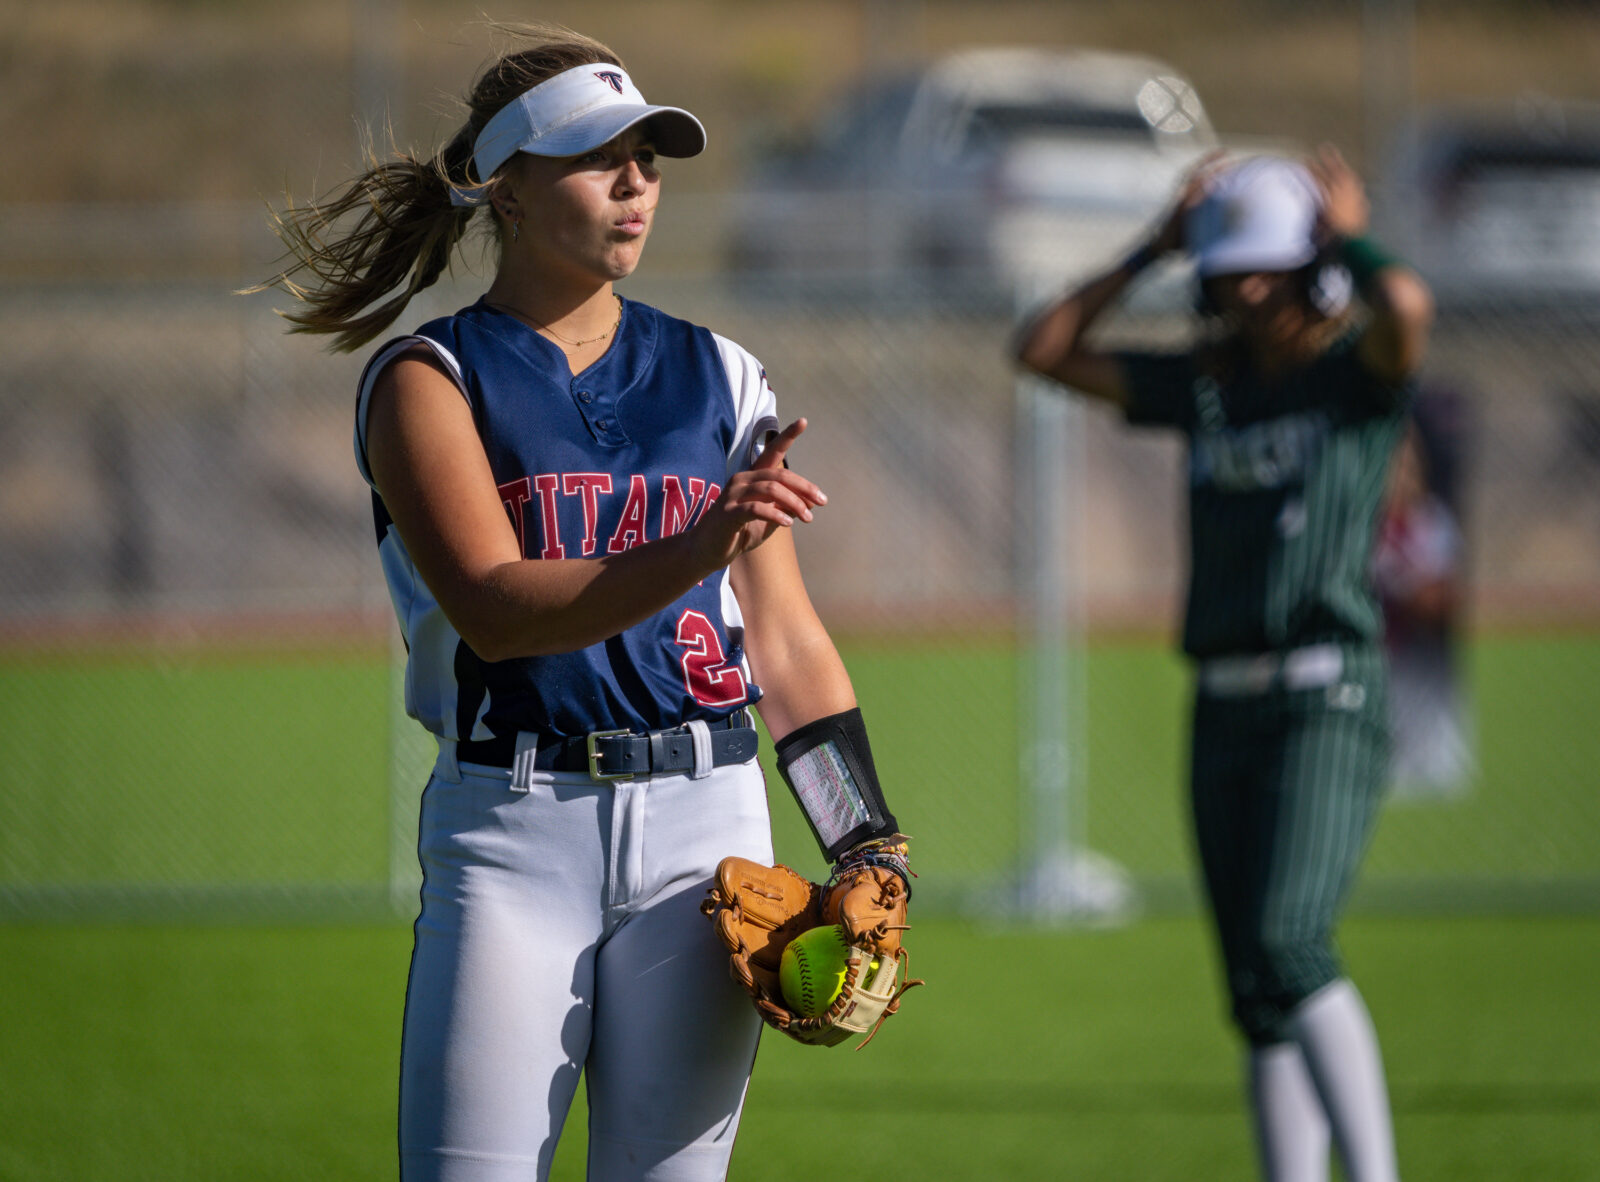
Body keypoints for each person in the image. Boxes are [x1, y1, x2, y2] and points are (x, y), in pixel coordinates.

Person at [253, 26, 908, 1182]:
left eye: (649, 158)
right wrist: (700, 538)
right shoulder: (429, 378)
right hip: (514, 831)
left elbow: (789, 642)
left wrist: (867, 836)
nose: (635, 183)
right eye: (596, 156)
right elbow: (500, 610)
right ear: (503, 189)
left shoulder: (722, 373)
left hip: (706, 836)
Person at [1012, 147, 1434, 1182]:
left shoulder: (1352, 381)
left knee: (1292, 945)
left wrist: (1347, 233)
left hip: (1323, 692)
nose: (1245, 286)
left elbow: (1409, 310)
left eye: (1269, 266)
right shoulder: (1206, 389)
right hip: (1221, 701)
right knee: (1253, 985)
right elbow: (1044, 347)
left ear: (1311, 267)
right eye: (1228, 267)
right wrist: (1153, 244)